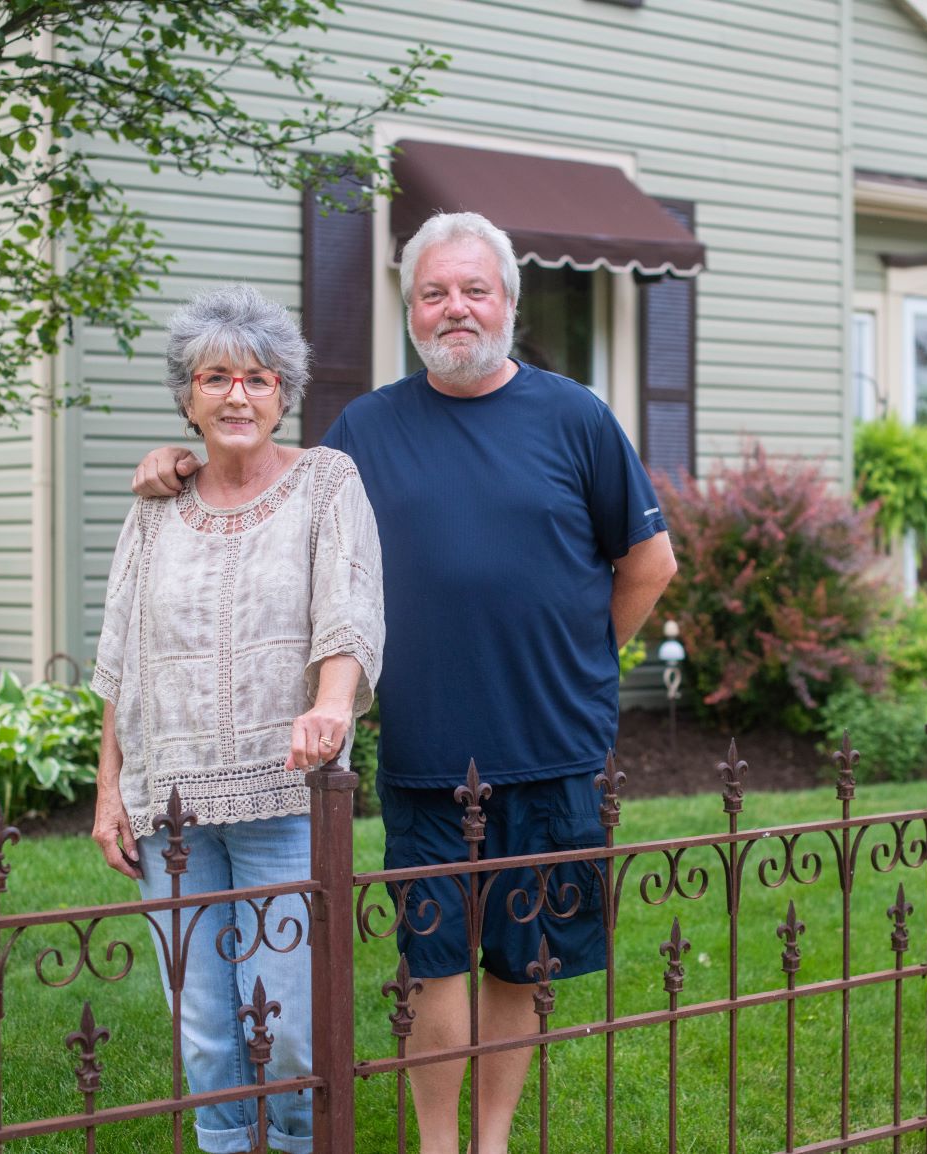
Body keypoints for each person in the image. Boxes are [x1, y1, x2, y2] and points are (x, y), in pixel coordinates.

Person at [133, 212, 677, 1154]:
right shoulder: (365, 431)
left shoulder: (576, 416)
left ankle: (492, 1140)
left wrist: (587, 666)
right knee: (434, 965)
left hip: (552, 747)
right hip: (426, 752)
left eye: (474, 290)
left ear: (507, 302)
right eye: (435, 292)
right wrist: (181, 462)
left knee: (521, 963)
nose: (455, 308)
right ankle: (436, 1144)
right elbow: (265, 474)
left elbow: (649, 563)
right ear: (411, 309)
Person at [93, 283, 383, 1154]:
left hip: (284, 797)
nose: (238, 396)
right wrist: (112, 791)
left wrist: (330, 707)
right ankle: (227, 1145)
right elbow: (120, 658)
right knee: (207, 1027)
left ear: (284, 395)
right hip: (171, 808)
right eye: (215, 378)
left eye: (258, 379)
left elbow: (351, 611)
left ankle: (295, 1143)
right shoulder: (154, 508)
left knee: (288, 1024)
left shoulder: (326, 484)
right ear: (187, 398)